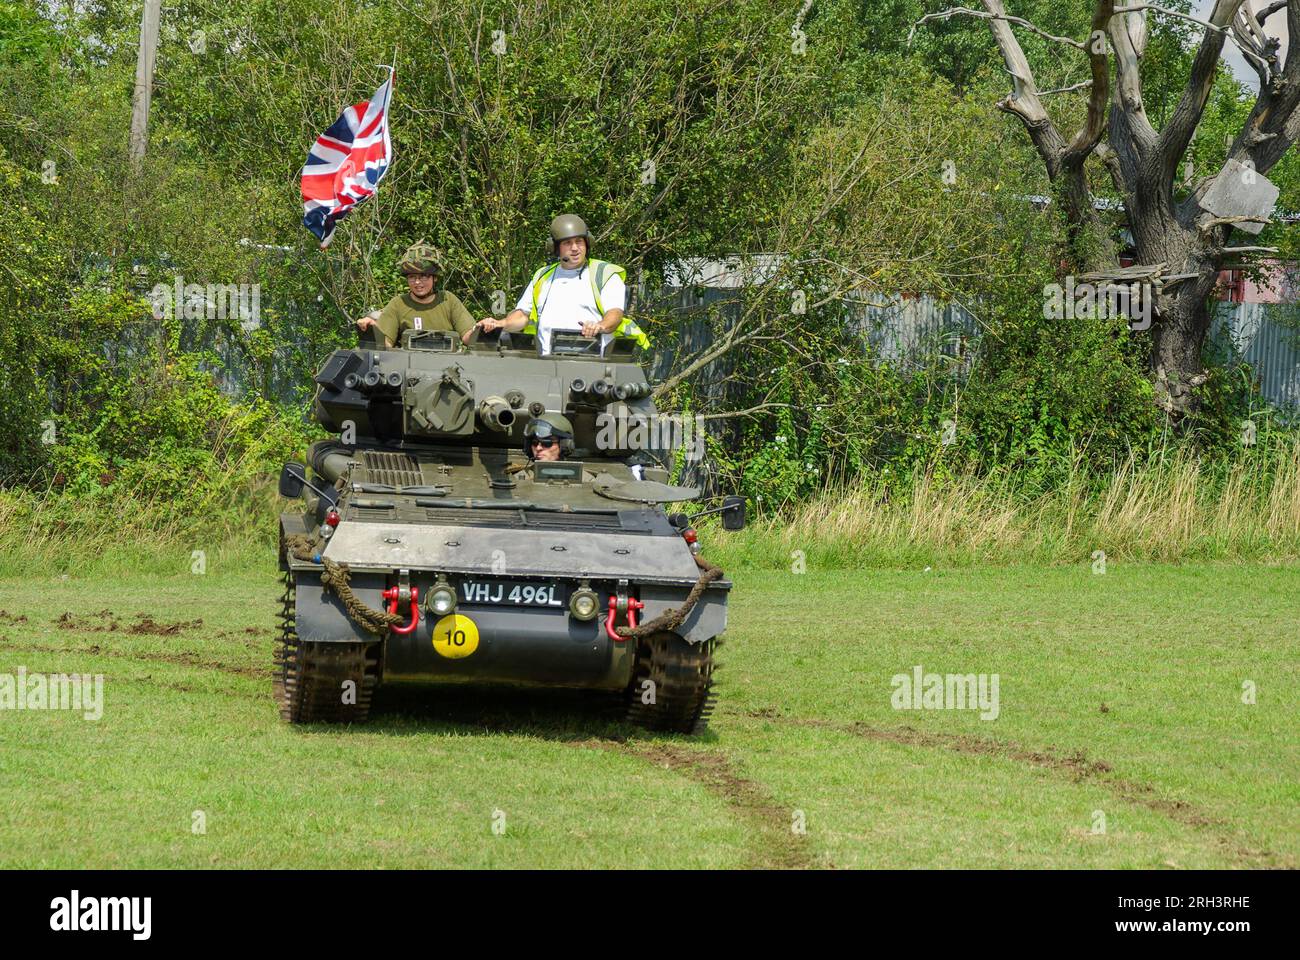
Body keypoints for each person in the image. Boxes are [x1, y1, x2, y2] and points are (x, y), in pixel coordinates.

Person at [473, 214, 649, 355]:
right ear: (556, 248)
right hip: (547, 364)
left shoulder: (604, 274)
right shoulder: (543, 276)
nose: (575, 248)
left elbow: (615, 315)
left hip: (594, 363)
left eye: (579, 242)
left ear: (587, 244)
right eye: (567, 243)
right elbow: (522, 316)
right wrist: (499, 324)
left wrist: (600, 326)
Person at [355, 241, 476, 348]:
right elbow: (385, 344)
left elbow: (468, 337)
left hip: (450, 367)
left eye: (423, 276)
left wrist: (487, 328)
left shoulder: (448, 300)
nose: (417, 282)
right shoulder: (398, 304)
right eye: (412, 277)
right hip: (407, 366)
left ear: (435, 278)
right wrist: (371, 330)